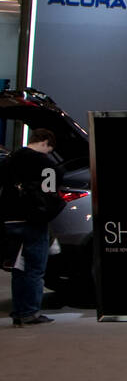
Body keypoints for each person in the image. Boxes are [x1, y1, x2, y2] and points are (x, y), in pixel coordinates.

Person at [1, 128, 64, 326]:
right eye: (49, 149)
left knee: (18, 268)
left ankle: (19, 312)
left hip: (9, 219)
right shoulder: (42, 161)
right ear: (45, 142)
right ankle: (30, 313)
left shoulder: (10, 159)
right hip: (32, 221)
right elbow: (52, 185)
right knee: (35, 269)